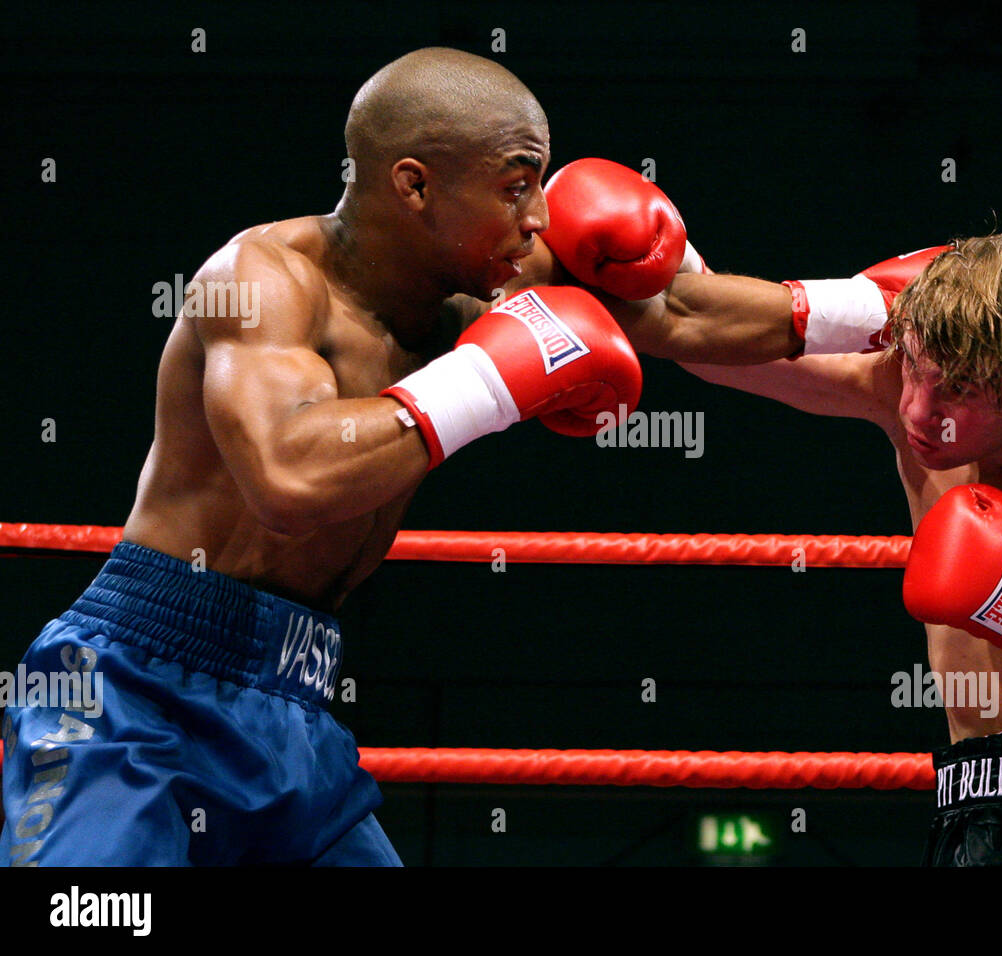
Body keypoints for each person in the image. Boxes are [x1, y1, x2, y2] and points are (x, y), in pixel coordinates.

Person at [0, 48, 648, 866]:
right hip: (132, 690)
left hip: (295, 707)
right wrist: (491, 378)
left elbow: (681, 314)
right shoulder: (263, 278)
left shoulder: (485, 275)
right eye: (517, 185)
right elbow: (289, 479)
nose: (539, 221)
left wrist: (852, 319)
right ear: (414, 185)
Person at [613, 231, 1002, 865]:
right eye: (912, 366)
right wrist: (633, 258)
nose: (917, 410)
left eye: (959, 391)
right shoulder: (905, 389)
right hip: (965, 797)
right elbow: (707, 343)